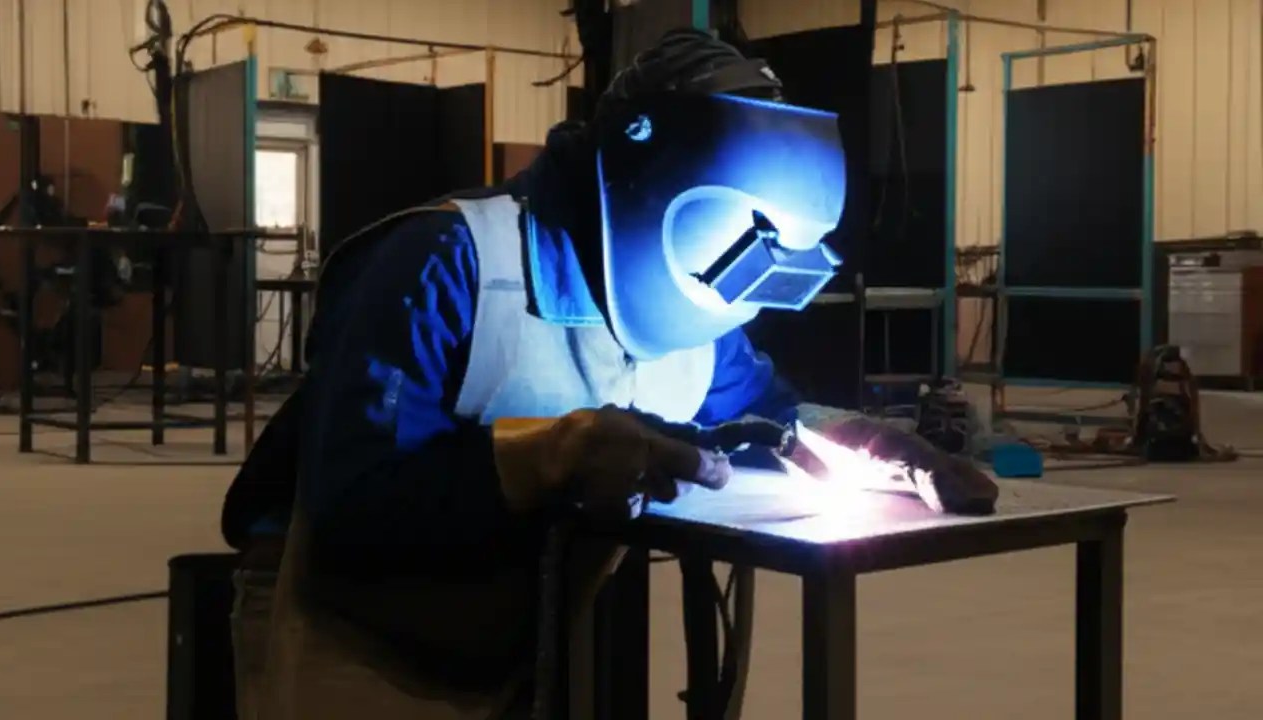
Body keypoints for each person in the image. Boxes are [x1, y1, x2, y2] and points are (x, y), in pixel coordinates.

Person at [222, 28, 994, 720]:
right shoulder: (450, 263)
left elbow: (765, 413)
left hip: (526, 613)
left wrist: (856, 439)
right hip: (352, 627)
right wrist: (549, 456)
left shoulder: (699, 307)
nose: (731, 286)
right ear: (653, 175)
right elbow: (350, 507)